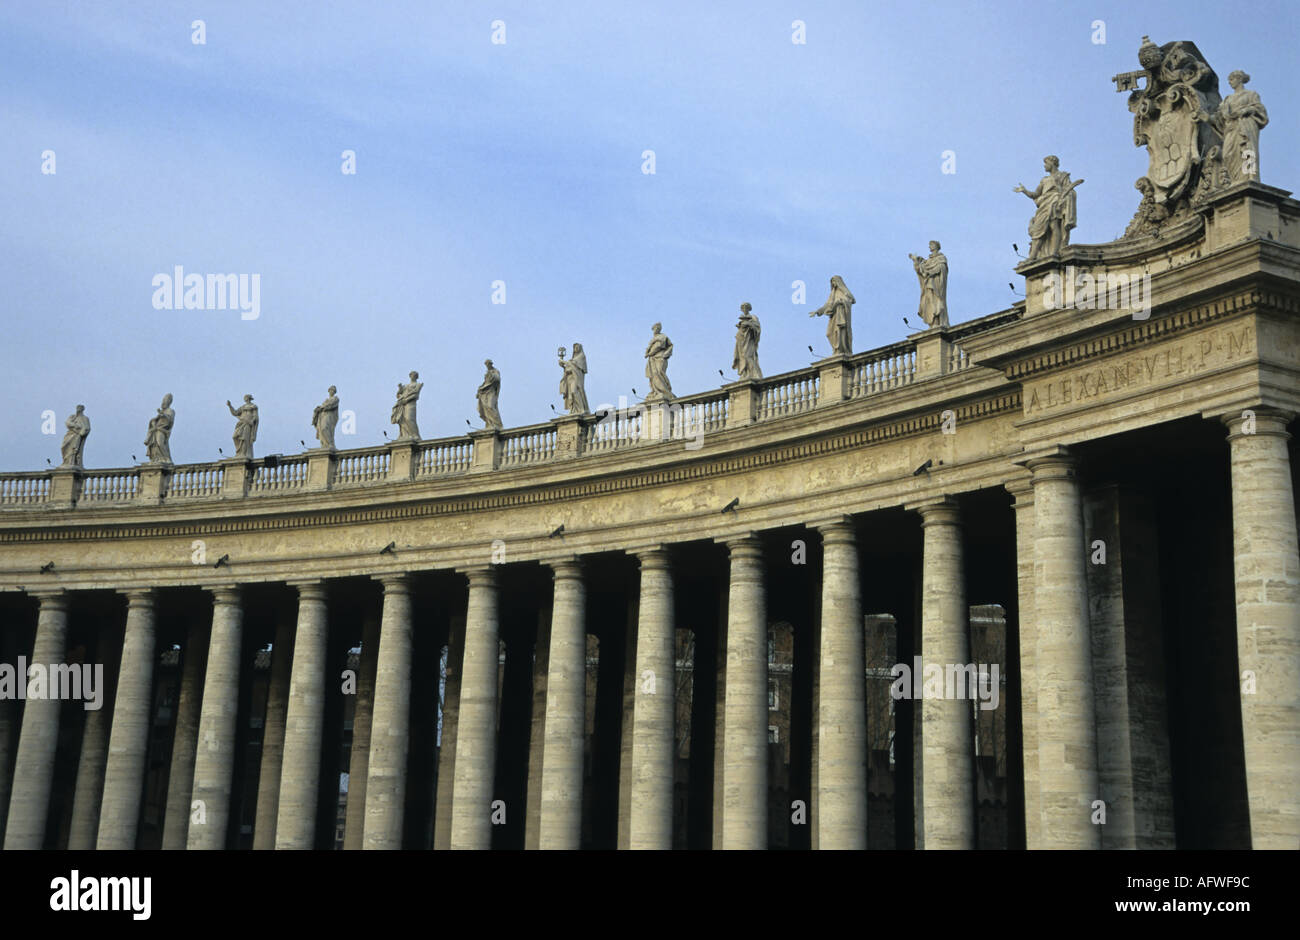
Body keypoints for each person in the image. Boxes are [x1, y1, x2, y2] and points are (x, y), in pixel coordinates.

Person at [1014, 156, 1083, 260]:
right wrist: (1024, 191)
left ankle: (1054, 252)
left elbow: (1069, 190)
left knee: (1054, 225)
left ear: (1052, 163)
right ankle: (1033, 256)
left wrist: (1063, 199)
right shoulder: (1044, 180)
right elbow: (1036, 194)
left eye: (1046, 163)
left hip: (1055, 202)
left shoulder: (1062, 176)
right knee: (1038, 228)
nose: (1044, 166)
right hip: (1044, 204)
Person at [1217, 71, 1268, 183]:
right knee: (1227, 154)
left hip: (1245, 125)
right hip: (1230, 128)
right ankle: (1234, 180)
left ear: (1239, 79)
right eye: (1229, 80)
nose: (1230, 83)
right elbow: (1219, 117)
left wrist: (1245, 110)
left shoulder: (1251, 94)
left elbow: (1260, 110)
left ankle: (1248, 176)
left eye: (1231, 79)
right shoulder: (1227, 99)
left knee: (1247, 151)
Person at [809, 276, 855, 355]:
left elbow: (851, 300)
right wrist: (817, 311)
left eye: (834, 281)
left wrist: (840, 302)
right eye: (832, 282)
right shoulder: (833, 293)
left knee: (839, 332)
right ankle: (836, 350)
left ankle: (840, 350)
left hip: (841, 315)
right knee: (829, 333)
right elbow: (827, 304)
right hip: (833, 316)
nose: (833, 283)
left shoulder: (844, 292)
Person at [909, 241, 949, 328]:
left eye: (931, 245)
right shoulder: (928, 261)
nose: (929, 247)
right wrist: (916, 261)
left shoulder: (941, 258)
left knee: (937, 302)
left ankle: (938, 321)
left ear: (936, 246)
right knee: (930, 302)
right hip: (928, 284)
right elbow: (920, 270)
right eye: (929, 245)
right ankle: (933, 322)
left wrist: (930, 272)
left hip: (936, 284)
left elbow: (941, 268)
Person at [644, 323, 674, 401]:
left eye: (656, 328)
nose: (655, 330)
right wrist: (648, 352)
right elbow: (650, 348)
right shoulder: (653, 339)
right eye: (654, 329)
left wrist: (650, 353)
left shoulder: (662, 337)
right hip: (652, 358)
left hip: (660, 357)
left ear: (659, 328)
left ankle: (665, 391)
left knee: (659, 372)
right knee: (653, 374)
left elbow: (660, 346)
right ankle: (655, 391)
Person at [732, 303, 762, 379]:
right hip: (741, 339)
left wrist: (748, 324)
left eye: (746, 307)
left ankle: (755, 374)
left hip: (749, 340)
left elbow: (757, 328)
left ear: (749, 308)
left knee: (747, 356)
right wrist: (740, 325)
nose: (744, 309)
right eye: (742, 308)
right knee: (741, 357)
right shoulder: (741, 318)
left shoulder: (753, 317)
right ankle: (745, 374)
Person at [558, 344, 589, 415]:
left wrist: (564, 362)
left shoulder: (581, 357)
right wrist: (563, 365)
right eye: (575, 348)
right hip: (570, 379)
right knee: (571, 395)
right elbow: (569, 368)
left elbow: (575, 366)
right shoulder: (572, 360)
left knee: (574, 391)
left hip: (576, 380)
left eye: (577, 347)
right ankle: (573, 410)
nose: (576, 349)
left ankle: (581, 409)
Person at [391, 372, 423, 440]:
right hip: (402, 404)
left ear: (416, 377)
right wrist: (399, 388)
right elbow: (398, 395)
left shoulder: (418, 385)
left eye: (414, 375)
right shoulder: (406, 386)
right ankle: (404, 435)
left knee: (409, 418)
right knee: (402, 419)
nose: (412, 376)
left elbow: (416, 395)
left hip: (410, 404)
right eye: (411, 375)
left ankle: (415, 435)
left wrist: (406, 400)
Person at [144, 394, 175, 463]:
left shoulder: (170, 411)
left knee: (160, 443)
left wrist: (163, 415)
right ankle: (156, 458)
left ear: (169, 402)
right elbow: (157, 420)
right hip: (156, 429)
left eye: (165, 400)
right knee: (155, 445)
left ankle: (166, 458)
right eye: (163, 400)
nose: (164, 402)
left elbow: (170, 420)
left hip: (162, 430)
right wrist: (155, 419)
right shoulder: (163, 411)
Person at [226, 395, 258, 459]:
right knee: (235, 437)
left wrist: (252, 421)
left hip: (248, 423)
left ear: (248, 398)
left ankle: (243, 453)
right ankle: (239, 452)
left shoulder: (253, 406)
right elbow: (235, 413)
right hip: (241, 423)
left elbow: (255, 416)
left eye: (246, 397)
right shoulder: (243, 407)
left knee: (244, 439)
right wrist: (230, 406)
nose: (244, 398)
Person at [477, 360, 503, 430]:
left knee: (490, 406)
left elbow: (497, 379)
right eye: (486, 365)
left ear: (491, 364)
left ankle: (497, 424)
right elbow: (485, 383)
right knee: (485, 407)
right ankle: (490, 424)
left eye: (488, 364)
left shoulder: (495, 371)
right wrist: (479, 389)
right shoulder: (487, 373)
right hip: (485, 392)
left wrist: (492, 375)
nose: (487, 366)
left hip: (492, 391)